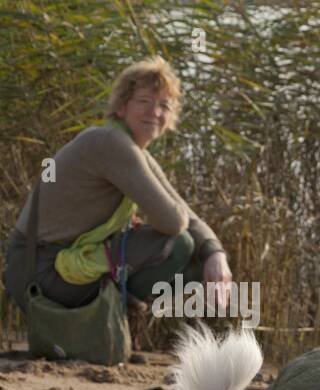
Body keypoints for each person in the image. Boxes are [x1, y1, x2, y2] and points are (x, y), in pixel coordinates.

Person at [3, 56, 232, 342]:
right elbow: (174, 221)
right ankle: (120, 313)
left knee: (198, 248)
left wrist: (216, 253)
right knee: (179, 244)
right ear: (122, 107)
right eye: (144, 101)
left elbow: (185, 213)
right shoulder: (110, 143)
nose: (155, 112)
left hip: (61, 264)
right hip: (40, 270)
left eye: (164, 105)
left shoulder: (131, 149)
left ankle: (136, 320)